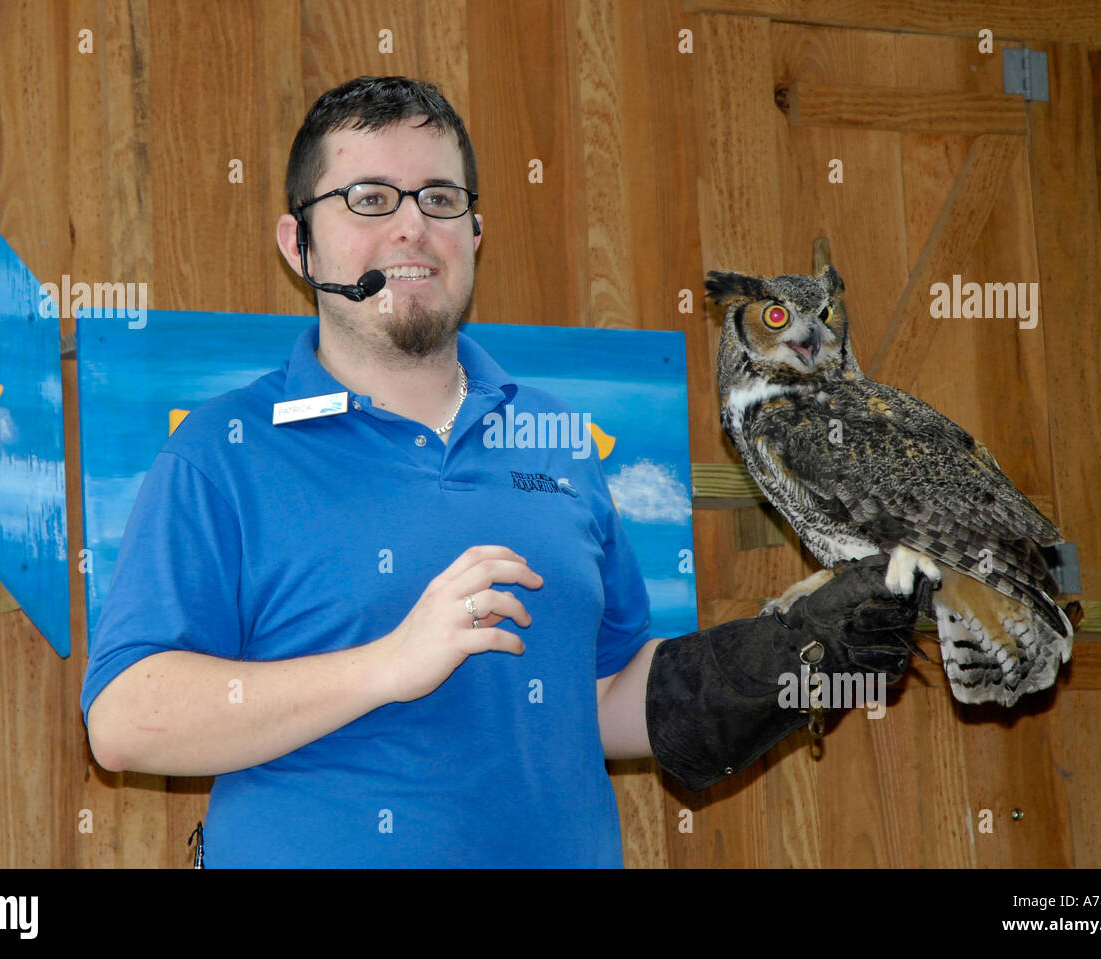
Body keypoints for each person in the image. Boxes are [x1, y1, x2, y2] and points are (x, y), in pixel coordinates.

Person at [81, 75, 925, 867]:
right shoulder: (221, 449)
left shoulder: (558, 440)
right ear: (298, 242)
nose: (411, 227)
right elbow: (125, 719)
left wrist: (779, 665)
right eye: (369, 199)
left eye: (440, 200)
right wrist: (388, 663)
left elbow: (595, 694)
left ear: (475, 234)